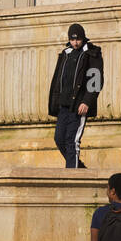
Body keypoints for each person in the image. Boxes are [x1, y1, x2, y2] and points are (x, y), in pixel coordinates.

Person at [48, 23, 104, 168]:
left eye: (78, 39)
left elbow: (96, 80)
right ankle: (78, 167)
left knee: (72, 140)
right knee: (59, 139)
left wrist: (87, 101)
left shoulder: (92, 53)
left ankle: (72, 175)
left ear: (83, 38)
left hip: (79, 106)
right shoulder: (66, 54)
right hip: (64, 105)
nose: (75, 42)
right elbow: (58, 79)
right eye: (72, 40)